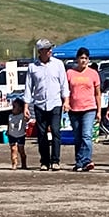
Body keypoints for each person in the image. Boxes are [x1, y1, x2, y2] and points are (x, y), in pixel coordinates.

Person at [23, 38, 69, 171]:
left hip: (55, 103)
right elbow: (28, 88)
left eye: (50, 49)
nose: (50, 51)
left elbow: (63, 84)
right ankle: (44, 161)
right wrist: (26, 106)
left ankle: (55, 160)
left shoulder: (58, 64)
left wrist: (66, 101)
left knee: (55, 131)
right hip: (39, 104)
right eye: (47, 49)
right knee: (41, 134)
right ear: (40, 51)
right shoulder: (33, 67)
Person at [66, 47, 101, 172]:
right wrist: (66, 103)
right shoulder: (70, 73)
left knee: (86, 135)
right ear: (77, 59)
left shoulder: (93, 73)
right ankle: (79, 162)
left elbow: (97, 93)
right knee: (78, 137)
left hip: (89, 108)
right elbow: (66, 91)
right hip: (74, 109)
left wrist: (99, 111)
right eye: (81, 58)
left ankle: (87, 160)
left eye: (86, 58)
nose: (83, 61)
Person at [7, 97, 28, 170]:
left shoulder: (22, 116)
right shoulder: (10, 116)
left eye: (14, 107)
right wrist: (7, 131)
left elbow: (27, 119)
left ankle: (24, 162)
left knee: (21, 150)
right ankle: (14, 163)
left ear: (20, 108)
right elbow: (9, 124)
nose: (12, 108)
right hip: (12, 135)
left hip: (20, 135)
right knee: (13, 149)